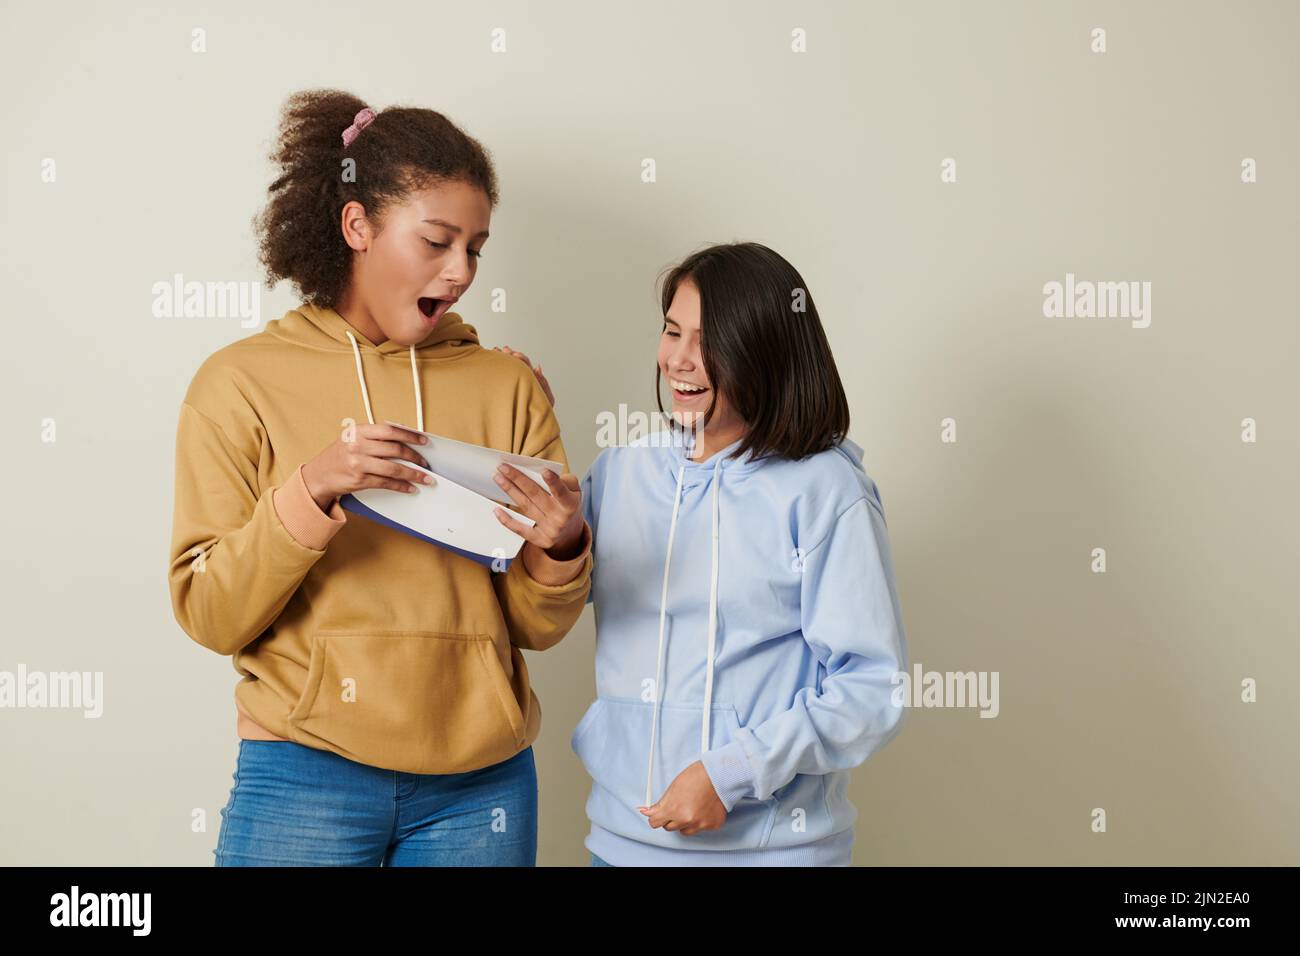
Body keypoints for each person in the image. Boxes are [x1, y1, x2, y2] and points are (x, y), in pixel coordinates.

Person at [167, 89, 592, 866]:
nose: (461, 271)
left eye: (476, 247)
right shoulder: (238, 384)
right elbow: (209, 613)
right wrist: (312, 490)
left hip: (482, 788)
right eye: (436, 242)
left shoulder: (507, 388)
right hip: (303, 772)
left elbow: (535, 627)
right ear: (357, 226)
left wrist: (560, 549)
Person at [502, 241, 908, 865]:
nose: (680, 360)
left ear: (764, 351)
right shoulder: (623, 471)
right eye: (672, 331)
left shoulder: (828, 491)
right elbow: (535, 585)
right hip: (619, 848)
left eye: (709, 340)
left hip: (776, 854)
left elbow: (871, 687)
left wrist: (731, 772)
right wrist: (508, 416)